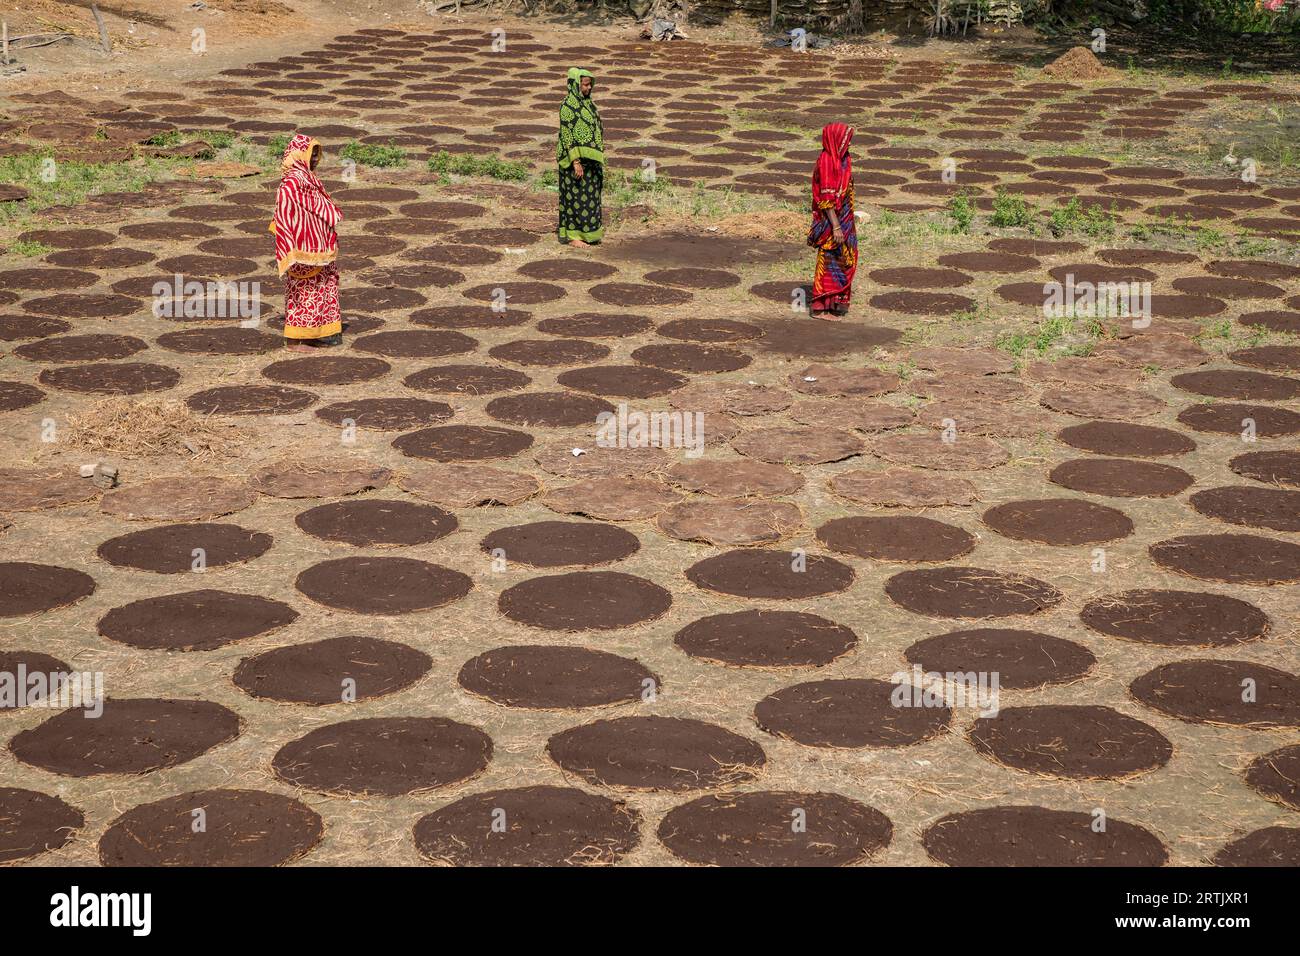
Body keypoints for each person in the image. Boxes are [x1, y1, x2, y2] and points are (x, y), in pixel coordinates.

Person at [271, 133, 342, 351]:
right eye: (310, 155)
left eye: (315, 156)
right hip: (302, 247)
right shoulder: (292, 182)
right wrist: (295, 240)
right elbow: (285, 212)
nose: (313, 160)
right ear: (297, 154)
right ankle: (294, 340)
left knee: (321, 287)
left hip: (319, 246)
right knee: (303, 291)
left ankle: (312, 333)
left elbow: (319, 208)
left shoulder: (308, 179)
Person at [808, 122, 857, 320]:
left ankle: (836, 303)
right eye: (846, 140)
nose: (849, 144)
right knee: (829, 261)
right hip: (832, 222)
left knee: (844, 258)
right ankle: (821, 307)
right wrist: (836, 226)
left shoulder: (843, 159)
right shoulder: (828, 161)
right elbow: (827, 200)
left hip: (844, 219)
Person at [556, 68, 604, 247]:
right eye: (585, 84)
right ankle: (574, 237)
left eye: (590, 84)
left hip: (590, 162)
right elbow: (567, 136)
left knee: (591, 198)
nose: (589, 87)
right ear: (575, 85)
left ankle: (590, 233)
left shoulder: (589, 104)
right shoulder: (567, 106)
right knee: (575, 198)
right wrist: (575, 161)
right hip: (573, 162)